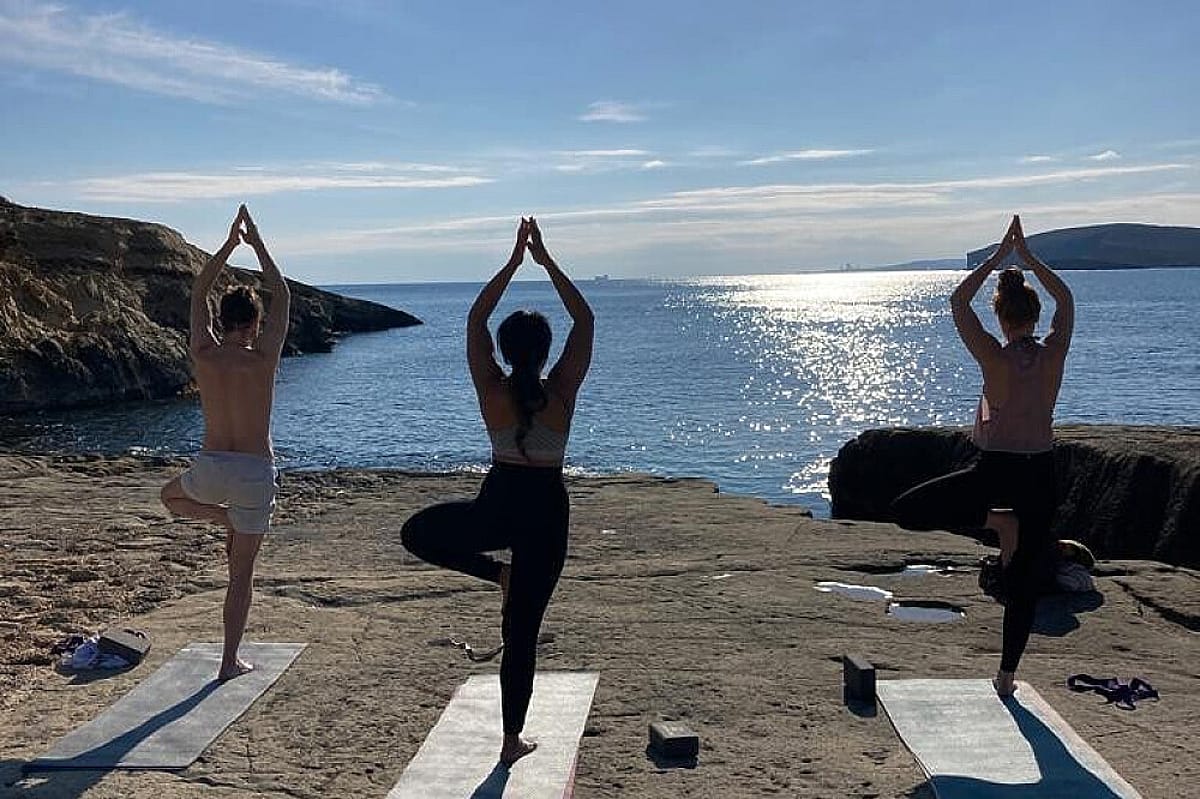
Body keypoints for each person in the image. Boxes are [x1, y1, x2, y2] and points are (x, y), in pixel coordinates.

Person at [401, 217, 594, 765]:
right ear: (546, 352)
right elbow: (585, 319)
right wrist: (545, 261)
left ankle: (497, 574)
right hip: (547, 511)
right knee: (522, 633)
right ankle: (511, 742)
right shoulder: (561, 392)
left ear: (506, 351)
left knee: (417, 533)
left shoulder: (492, 389)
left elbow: (475, 319)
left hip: (499, 503)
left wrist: (512, 264)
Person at [891, 215, 1074, 697]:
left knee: (907, 510)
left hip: (996, 471)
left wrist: (996, 259)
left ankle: (998, 524)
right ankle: (1007, 676)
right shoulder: (1054, 352)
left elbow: (958, 301)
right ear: (1034, 314)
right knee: (1024, 581)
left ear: (1000, 317)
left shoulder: (994, 357)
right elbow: (1067, 300)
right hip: (1041, 473)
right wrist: (1029, 259)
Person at [160, 204, 291, 682]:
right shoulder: (264, 358)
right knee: (241, 576)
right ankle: (228, 662)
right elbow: (282, 293)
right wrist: (256, 244)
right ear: (255, 325)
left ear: (220, 319)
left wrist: (228, 246)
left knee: (169, 497)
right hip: (255, 472)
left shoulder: (204, 353)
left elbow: (199, 290)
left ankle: (221, 519)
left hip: (212, 467)